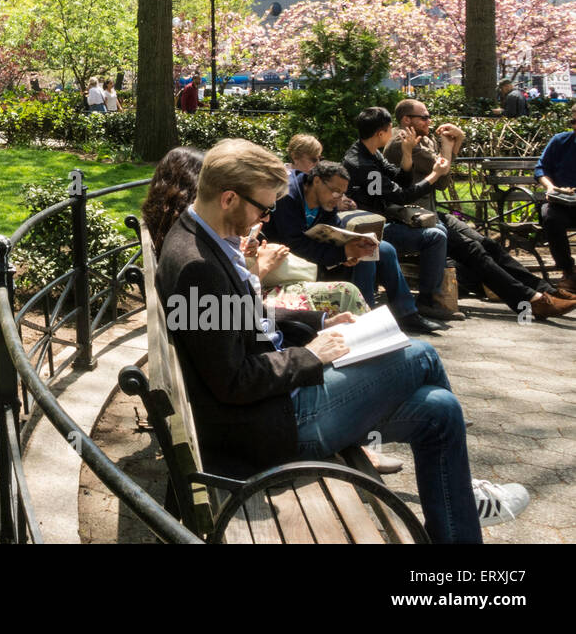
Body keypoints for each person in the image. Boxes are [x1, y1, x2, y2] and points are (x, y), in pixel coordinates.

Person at [155, 138, 529, 543]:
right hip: (267, 427)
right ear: (229, 198)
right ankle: (466, 499)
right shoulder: (198, 266)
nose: (265, 217)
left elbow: (237, 322)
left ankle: (458, 527)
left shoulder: (201, 236)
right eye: (263, 207)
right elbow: (232, 381)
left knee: (440, 409)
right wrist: (309, 354)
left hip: (273, 403)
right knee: (419, 354)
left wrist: (318, 320)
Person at [387, 97, 574, 319]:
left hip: (432, 213)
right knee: (474, 251)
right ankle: (531, 301)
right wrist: (450, 145)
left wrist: (451, 147)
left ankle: (546, 290)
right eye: (424, 117)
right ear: (407, 119)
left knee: (487, 244)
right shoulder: (403, 143)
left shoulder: (424, 141)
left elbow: (444, 181)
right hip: (413, 218)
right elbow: (443, 173)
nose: (430, 121)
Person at [144, 148, 367, 319]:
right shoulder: (196, 260)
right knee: (347, 294)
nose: (267, 218)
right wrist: (262, 265)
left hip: (261, 320)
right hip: (263, 323)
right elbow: (234, 317)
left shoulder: (187, 232)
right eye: (263, 209)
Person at [265, 161, 442, 335]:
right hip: (291, 259)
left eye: (342, 194)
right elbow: (294, 244)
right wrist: (343, 253)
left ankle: (407, 313)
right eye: (335, 192)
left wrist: (350, 246)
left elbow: (333, 226)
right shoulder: (288, 197)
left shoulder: (326, 199)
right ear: (317, 180)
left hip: (320, 253)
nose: (338, 198)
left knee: (383, 249)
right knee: (364, 259)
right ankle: (365, 319)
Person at [344, 106, 455, 322]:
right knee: (436, 236)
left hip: (379, 222)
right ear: (381, 133)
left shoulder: (370, 152)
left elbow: (399, 179)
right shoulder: (363, 165)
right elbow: (403, 196)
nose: (393, 131)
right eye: (390, 128)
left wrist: (406, 152)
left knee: (438, 229)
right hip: (370, 228)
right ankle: (426, 301)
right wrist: (435, 175)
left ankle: (423, 302)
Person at [535, 106, 576, 298]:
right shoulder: (560, 141)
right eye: (573, 122)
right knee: (551, 218)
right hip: (560, 201)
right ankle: (568, 270)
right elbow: (540, 169)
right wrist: (551, 187)